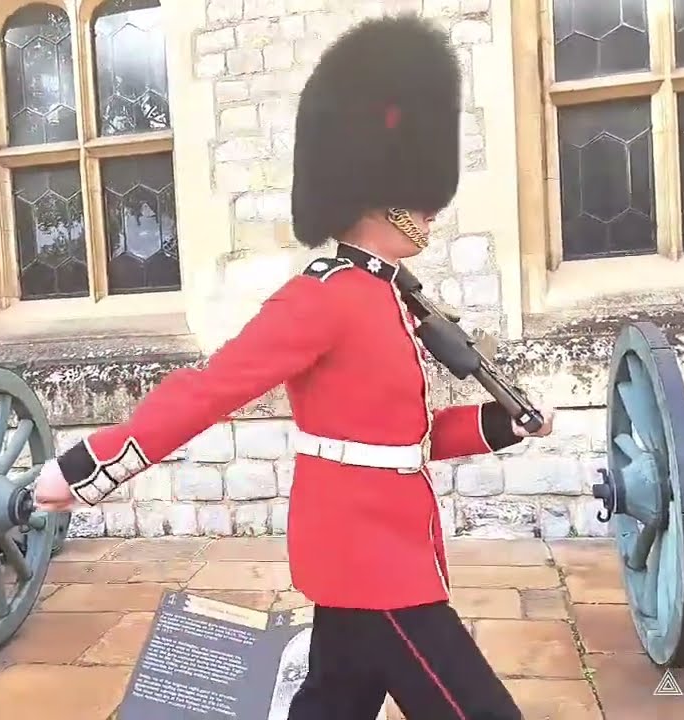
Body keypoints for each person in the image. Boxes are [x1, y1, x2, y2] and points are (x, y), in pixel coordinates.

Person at [34, 13, 553, 720]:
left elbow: (407, 437)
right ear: (381, 191)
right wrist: (91, 465)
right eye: (421, 198)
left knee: (333, 701)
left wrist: (501, 425)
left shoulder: (390, 296)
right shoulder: (323, 299)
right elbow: (212, 389)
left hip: (379, 549)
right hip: (372, 560)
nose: (432, 213)